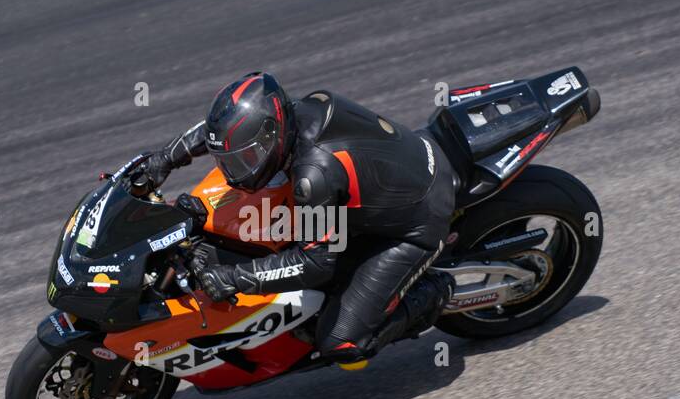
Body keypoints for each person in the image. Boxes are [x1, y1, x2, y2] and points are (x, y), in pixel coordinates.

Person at [133, 71, 455, 364]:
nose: (235, 172)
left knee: (340, 343)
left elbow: (314, 263)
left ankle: (435, 293)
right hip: (385, 179)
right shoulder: (287, 114)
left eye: (245, 158)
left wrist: (234, 277)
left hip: (416, 221)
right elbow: (220, 131)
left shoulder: (313, 176)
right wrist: (165, 158)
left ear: (270, 135)